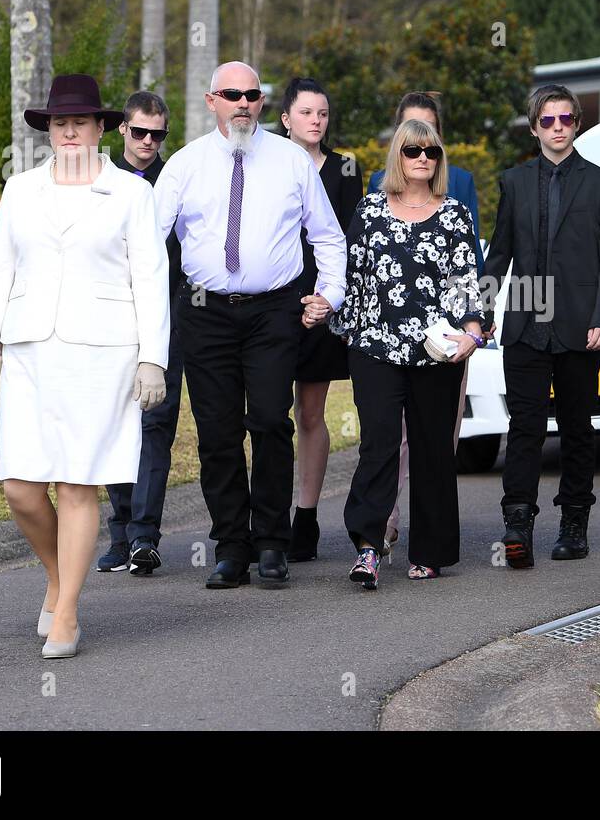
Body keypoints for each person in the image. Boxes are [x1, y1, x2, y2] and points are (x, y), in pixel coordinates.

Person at [0, 73, 170, 658]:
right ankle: (56, 576)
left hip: (103, 353)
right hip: (29, 352)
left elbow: (150, 280)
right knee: (20, 487)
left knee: (77, 482)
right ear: (49, 130)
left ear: (101, 128)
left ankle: (67, 610)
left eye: (80, 122)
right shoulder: (21, 190)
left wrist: (154, 358)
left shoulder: (131, 194)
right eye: (59, 123)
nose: (69, 131)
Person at [153, 61, 346, 590]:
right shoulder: (185, 164)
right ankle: (231, 546)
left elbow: (328, 236)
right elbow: (148, 240)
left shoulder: (290, 162)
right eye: (231, 94)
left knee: (268, 420)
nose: (243, 102)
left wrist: (328, 294)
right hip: (204, 311)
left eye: (252, 94)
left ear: (262, 103)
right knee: (216, 432)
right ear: (211, 99)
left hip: (273, 311)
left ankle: (272, 543)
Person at [330, 118, 484, 589]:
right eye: (413, 150)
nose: (422, 158)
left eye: (431, 152)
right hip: (375, 347)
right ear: (397, 155)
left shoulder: (455, 213)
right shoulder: (371, 210)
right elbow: (352, 277)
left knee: (433, 449)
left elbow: (465, 280)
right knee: (378, 444)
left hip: (436, 351)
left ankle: (431, 551)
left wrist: (473, 332)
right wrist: (334, 319)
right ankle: (369, 547)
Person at [481, 84, 600, 568]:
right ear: (534, 126)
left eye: (565, 119)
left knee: (576, 428)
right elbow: (498, 256)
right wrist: (478, 313)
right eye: (548, 121)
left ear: (577, 123)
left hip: (580, 324)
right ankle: (517, 524)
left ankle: (573, 523)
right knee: (523, 426)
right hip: (526, 317)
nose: (557, 128)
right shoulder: (514, 181)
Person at [368, 92, 484, 558]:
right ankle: (386, 524)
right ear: (398, 139)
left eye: (429, 140)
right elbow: (369, 263)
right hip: (389, 339)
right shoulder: (377, 185)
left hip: (446, 335)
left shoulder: (461, 184)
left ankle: (429, 539)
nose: (420, 150)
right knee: (389, 438)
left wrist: (474, 325)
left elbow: (469, 259)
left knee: (437, 437)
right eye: (411, 139)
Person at [278, 78, 363, 563]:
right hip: (270, 299)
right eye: (307, 112)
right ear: (287, 118)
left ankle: (305, 516)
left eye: (323, 113)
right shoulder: (264, 162)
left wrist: (329, 298)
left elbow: (347, 238)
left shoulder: (345, 168)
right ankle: (262, 517)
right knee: (266, 414)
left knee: (309, 412)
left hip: (323, 303)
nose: (316, 121)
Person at [98, 90, 182, 576]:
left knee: (156, 423)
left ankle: (144, 538)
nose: (149, 141)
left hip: (170, 314)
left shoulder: (173, 181)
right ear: (122, 131)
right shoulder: (101, 183)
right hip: (111, 318)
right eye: (140, 132)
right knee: (116, 421)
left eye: (158, 134)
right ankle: (121, 530)